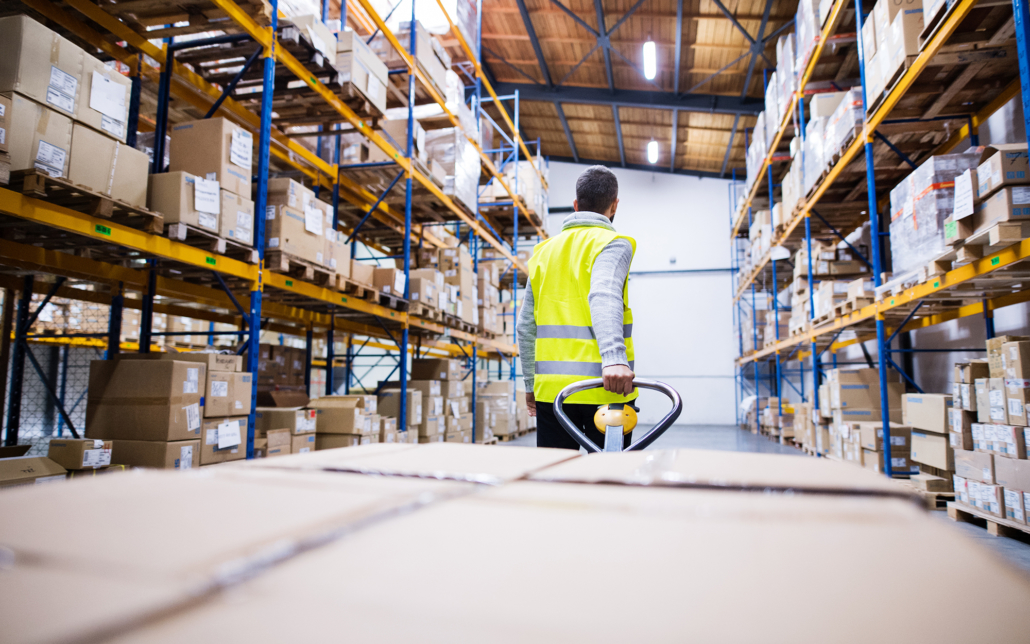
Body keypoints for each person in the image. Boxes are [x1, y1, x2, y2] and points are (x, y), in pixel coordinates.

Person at [517, 165, 636, 450]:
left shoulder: (543, 252)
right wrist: (614, 358)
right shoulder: (613, 243)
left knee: (556, 482)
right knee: (607, 482)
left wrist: (530, 383)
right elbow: (604, 293)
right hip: (606, 390)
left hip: (553, 395)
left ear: (575, 204)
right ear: (614, 204)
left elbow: (525, 326)